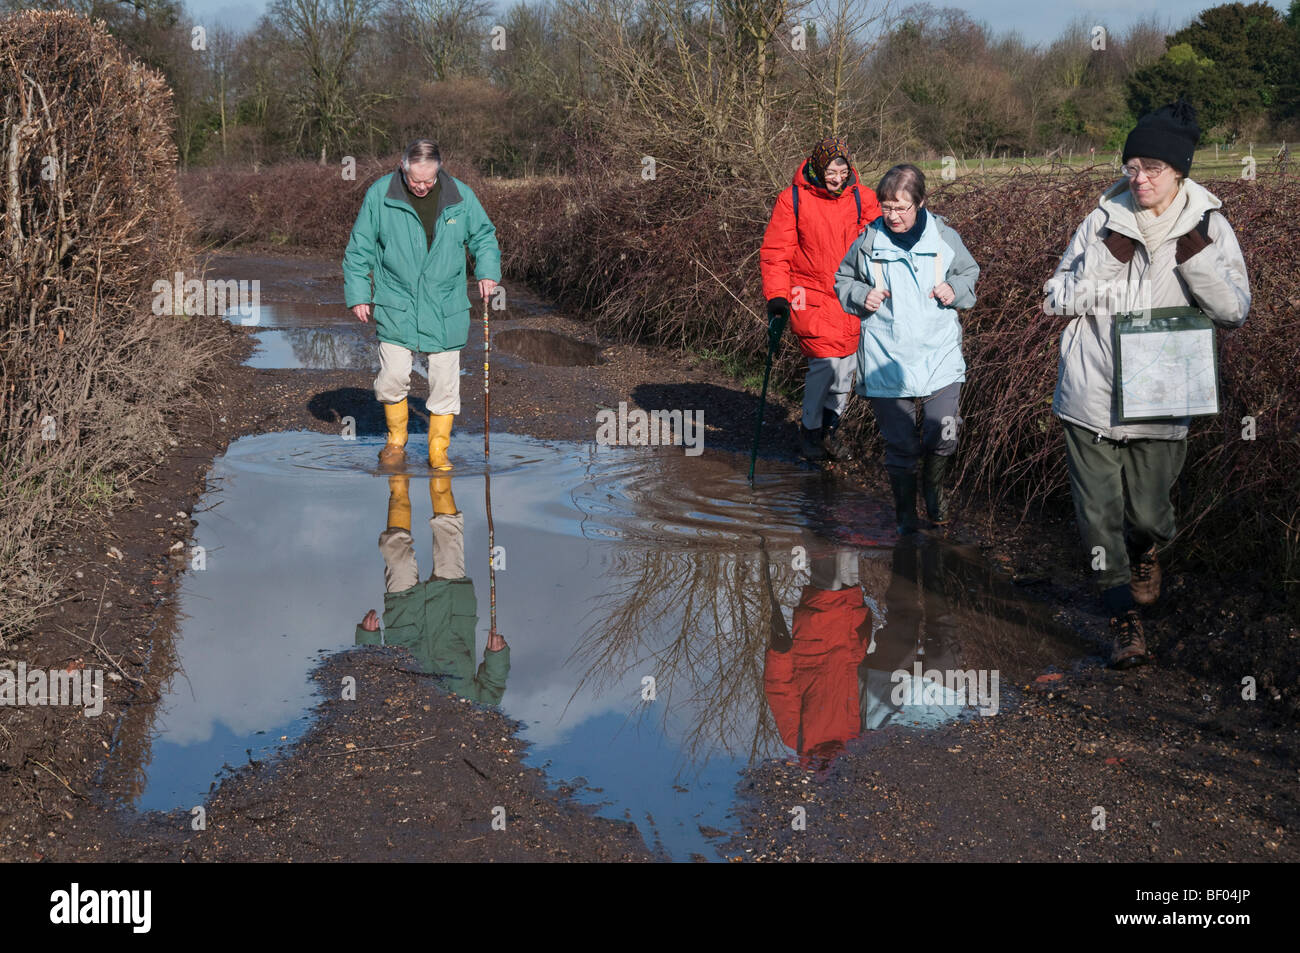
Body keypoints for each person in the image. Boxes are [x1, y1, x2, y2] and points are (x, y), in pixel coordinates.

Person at [1043, 99, 1250, 669]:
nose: (1138, 178)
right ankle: (1122, 620)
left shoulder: (1210, 225)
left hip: (1163, 392)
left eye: (1151, 168)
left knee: (1148, 515)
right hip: (1090, 391)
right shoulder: (1101, 219)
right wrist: (1105, 263)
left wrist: (1198, 261)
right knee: (1097, 519)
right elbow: (1055, 298)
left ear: (1180, 171)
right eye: (1132, 165)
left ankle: (1148, 549)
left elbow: (1235, 309)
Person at [833, 164, 979, 533]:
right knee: (901, 445)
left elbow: (969, 273)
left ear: (921, 202)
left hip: (939, 355)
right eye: (886, 207)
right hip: (886, 356)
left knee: (944, 434)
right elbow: (842, 279)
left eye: (901, 207)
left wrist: (955, 289)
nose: (893, 216)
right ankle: (905, 519)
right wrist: (861, 294)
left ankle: (933, 489)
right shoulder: (868, 241)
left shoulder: (944, 236)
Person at [343, 139, 501, 470]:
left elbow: (484, 237)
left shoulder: (460, 196)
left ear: (438, 170)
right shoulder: (380, 195)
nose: (422, 186)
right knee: (392, 378)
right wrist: (358, 293)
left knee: (444, 384)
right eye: (416, 180)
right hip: (396, 302)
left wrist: (487, 273)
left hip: (446, 306)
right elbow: (360, 248)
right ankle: (396, 442)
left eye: (429, 180)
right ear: (403, 167)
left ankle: (438, 451)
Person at [760, 136, 881, 462]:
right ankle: (810, 431)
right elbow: (776, 254)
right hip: (810, 297)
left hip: (851, 296)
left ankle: (830, 427)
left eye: (842, 169)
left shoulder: (863, 198)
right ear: (817, 166)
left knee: (847, 368)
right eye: (831, 170)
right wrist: (777, 296)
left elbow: (883, 243)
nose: (837, 177)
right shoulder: (793, 200)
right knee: (824, 366)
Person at [357, 475, 509, 703]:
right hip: (453, 618)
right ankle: (441, 471)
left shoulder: (404, 713)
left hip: (406, 626)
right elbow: (493, 688)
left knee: (396, 553)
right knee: (449, 541)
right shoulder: (471, 714)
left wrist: (368, 640)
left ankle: (398, 484)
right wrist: (496, 658)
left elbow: (373, 682)